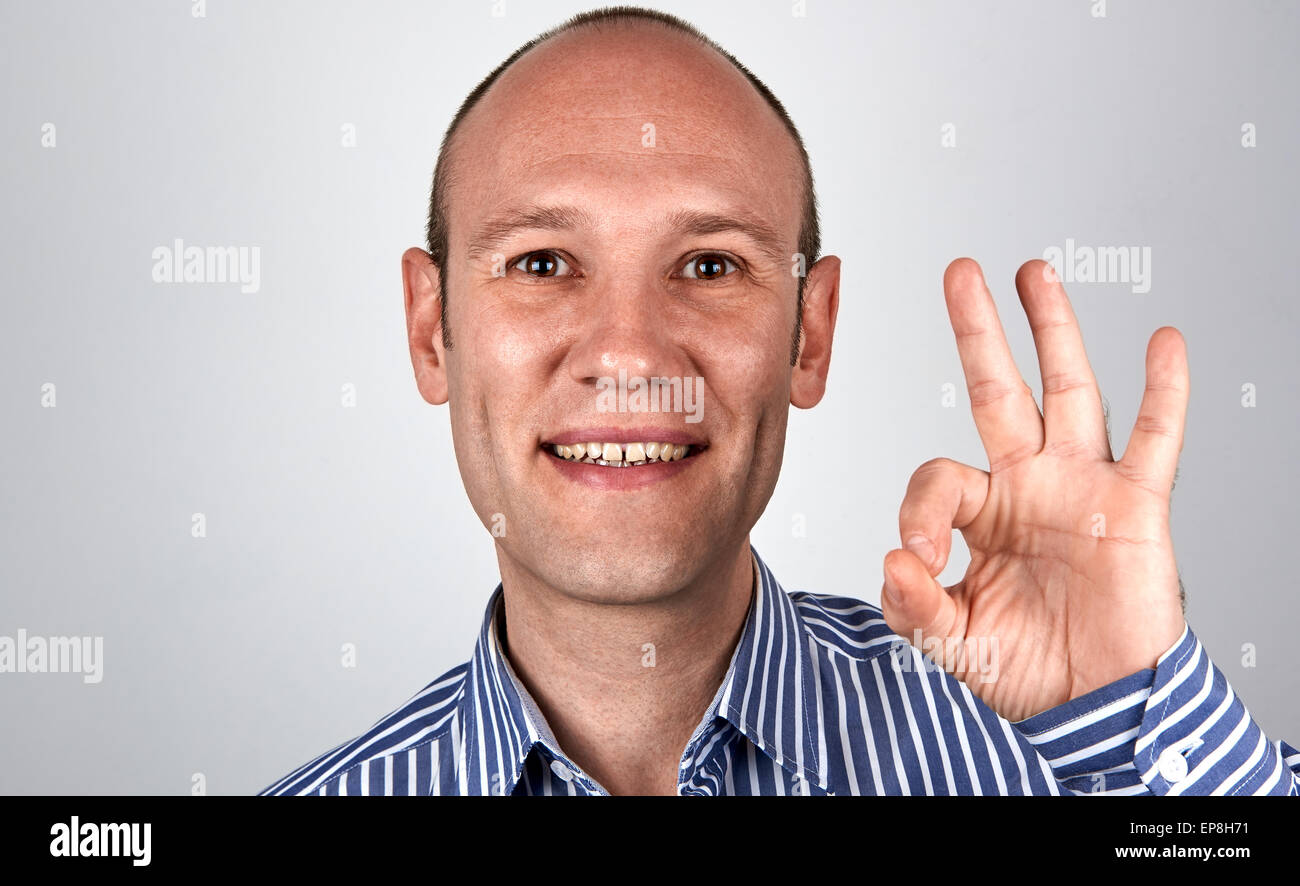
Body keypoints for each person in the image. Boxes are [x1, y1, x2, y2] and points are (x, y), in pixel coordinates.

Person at [261, 6, 1298, 796]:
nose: (627, 353)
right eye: (541, 261)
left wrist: (1132, 724)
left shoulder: (1047, 744)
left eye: (709, 267)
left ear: (810, 331)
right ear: (428, 327)